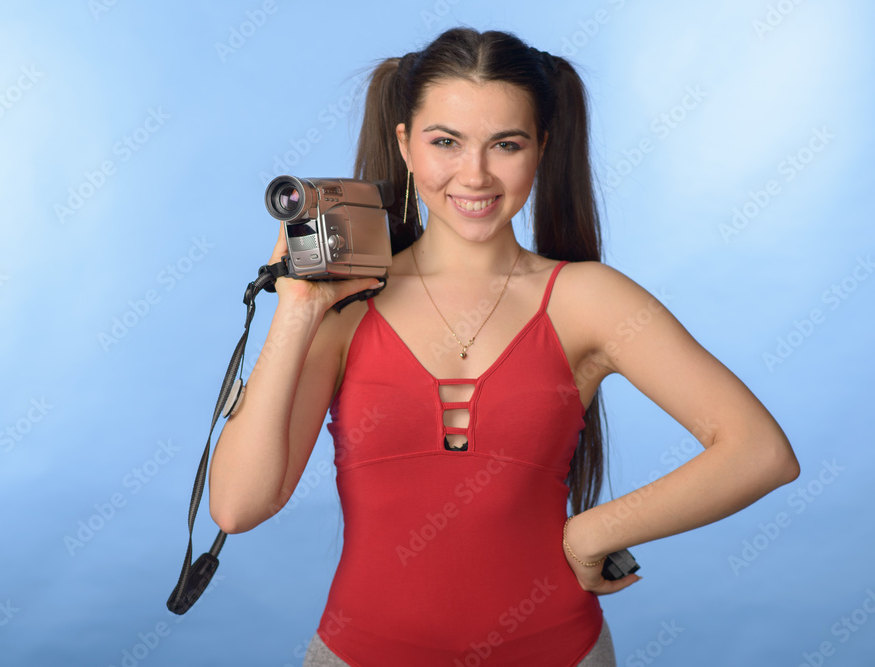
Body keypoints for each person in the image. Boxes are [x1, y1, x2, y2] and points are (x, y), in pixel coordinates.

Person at [207, 27, 800, 666]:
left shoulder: (589, 300)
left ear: (542, 146)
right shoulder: (345, 306)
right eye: (446, 142)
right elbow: (238, 506)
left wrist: (592, 531)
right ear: (405, 144)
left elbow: (760, 452)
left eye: (506, 144)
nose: (476, 174)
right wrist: (297, 309)